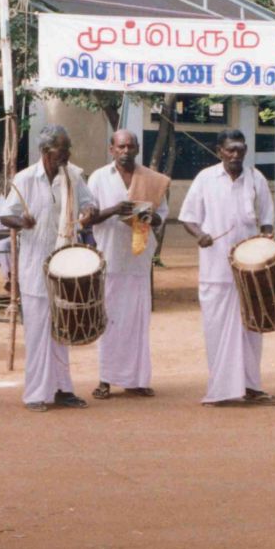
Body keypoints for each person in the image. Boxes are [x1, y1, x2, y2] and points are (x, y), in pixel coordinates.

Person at [0, 125, 98, 412]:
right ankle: (35, 394)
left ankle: (63, 390)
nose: (67, 154)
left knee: (63, 329)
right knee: (39, 332)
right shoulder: (26, 179)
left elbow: (90, 204)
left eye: (68, 149)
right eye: (61, 150)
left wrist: (88, 212)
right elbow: (6, 215)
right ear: (45, 151)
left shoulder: (73, 176)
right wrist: (22, 223)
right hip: (35, 268)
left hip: (66, 265)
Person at [179, 128, 275, 407]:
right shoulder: (205, 179)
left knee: (252, 331)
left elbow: (267, 219)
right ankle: (221, 390)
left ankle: (252, 386)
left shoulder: (256, 179)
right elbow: (187, 217)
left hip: (250, 272)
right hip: (215, 272)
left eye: (241, 149)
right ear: (219, 151)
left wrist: (267, 240)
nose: (236, 155)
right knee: (217, 331)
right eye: (230, 150)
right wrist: (199, 235)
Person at [86, 129, 170, 400]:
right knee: (108, 320)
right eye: (121, 146)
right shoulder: (99, 177)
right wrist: (114, 210)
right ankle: (105, 379)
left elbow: (162, 218)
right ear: (111, 149)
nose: (126, 151)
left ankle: (137, 379)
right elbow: (86, 219)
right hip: (109, 258)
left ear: (137, 149)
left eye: (130, 146)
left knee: (137, 321)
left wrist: (144, 215)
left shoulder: (151, 179)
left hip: (138, 259)